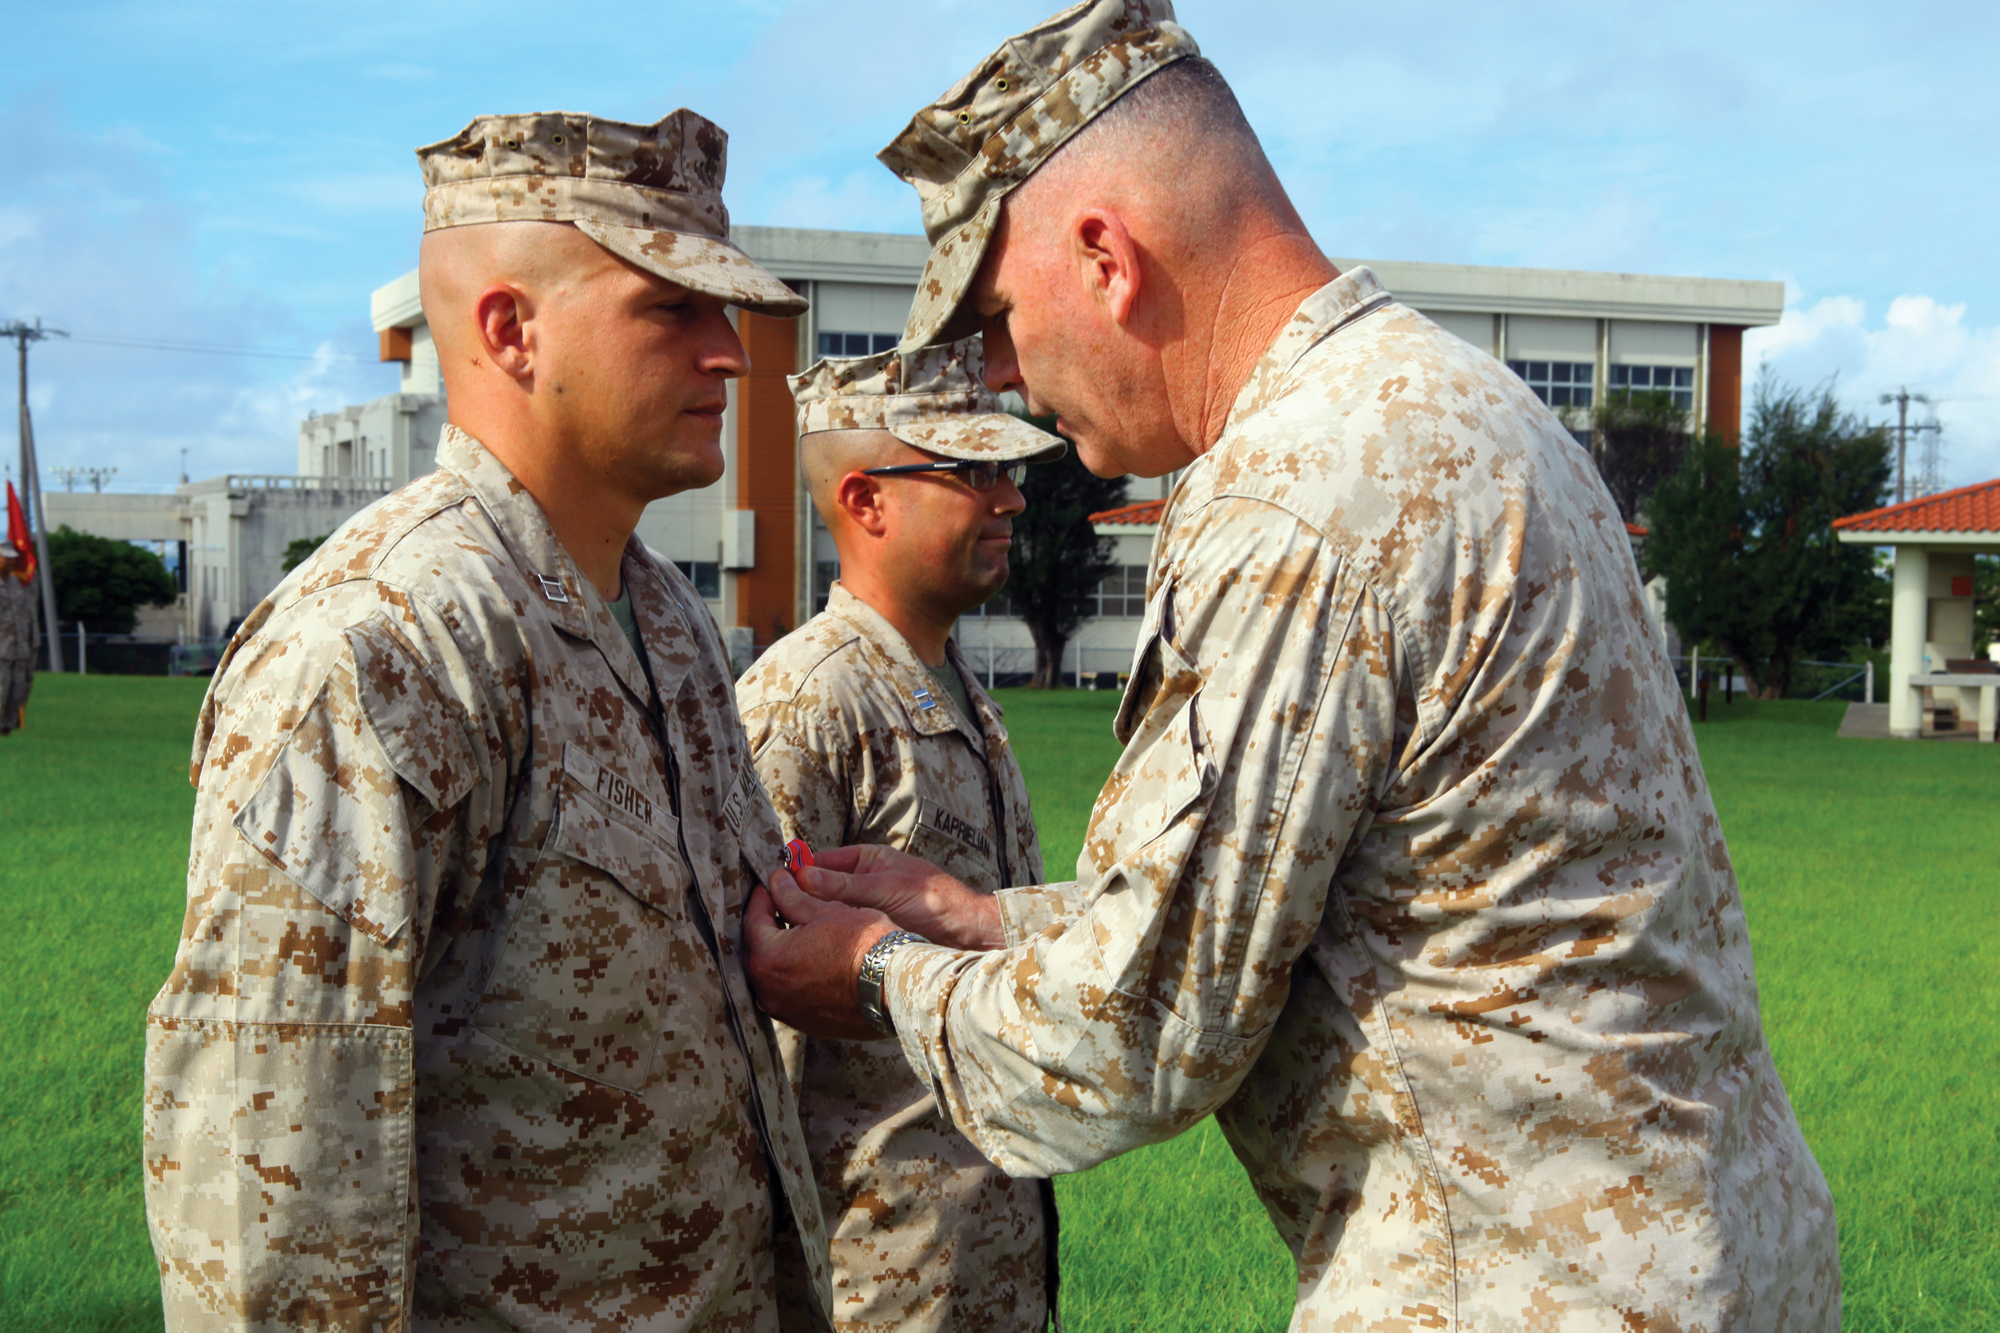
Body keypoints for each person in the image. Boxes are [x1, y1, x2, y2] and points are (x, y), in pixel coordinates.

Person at [742, 2, 1841, 1328]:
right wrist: (986, 920)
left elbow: (1137, 1038)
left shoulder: (1294, 496)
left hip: (1516, 1284)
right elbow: (1357, 902)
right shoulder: (1456, 402)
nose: (1007, 377)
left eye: (1001, 317)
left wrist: (868, 972)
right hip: (1699, 1253)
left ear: (1106, 258)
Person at [143, 110, 834, 1331]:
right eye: (670, 309)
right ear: (510, 330)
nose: (730, 352)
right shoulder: (377, 650)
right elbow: (271, 1186)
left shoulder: (663, 614)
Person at [736, 341, 1063, 1333]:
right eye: (970, 473)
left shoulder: (951, 687)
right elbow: (756, 1042)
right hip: (873, 1288)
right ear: (864, 501)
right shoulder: (806, 704)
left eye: (1007, 473)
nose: (1007, 499)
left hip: (984, 1271)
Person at [0, 538, 32, 733]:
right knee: (1, 689)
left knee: (17, 689)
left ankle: (9, 726)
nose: (11, 562)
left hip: (19, 646)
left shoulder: (15, 583)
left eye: (12, 559)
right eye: (7, 559)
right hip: (1, 647)